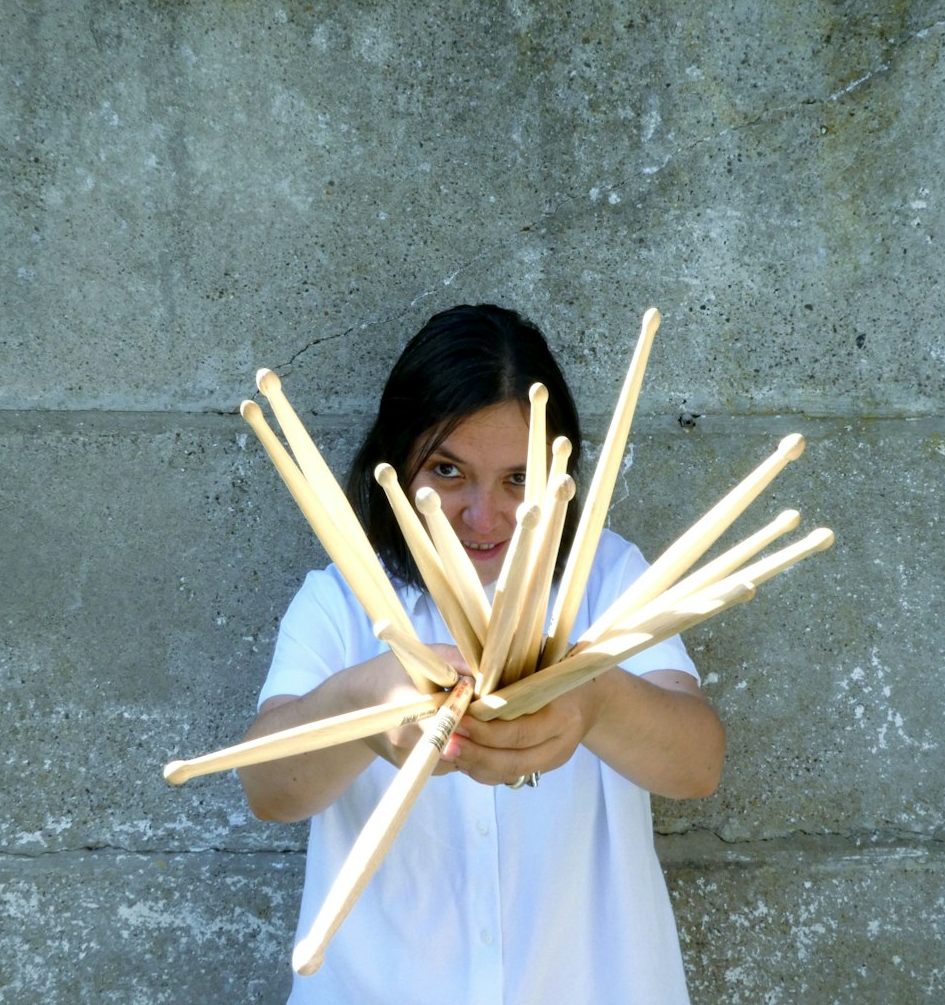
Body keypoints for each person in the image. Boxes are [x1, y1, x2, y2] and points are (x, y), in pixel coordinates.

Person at [238, 304, 726, 1005]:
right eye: (447, 469)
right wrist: (359, 706)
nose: (483, 515)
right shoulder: (341, 602)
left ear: (562, 476)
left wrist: (596, 700)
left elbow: (697, 765)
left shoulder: (609, 581)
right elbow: (266, 790)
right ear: (396, 465)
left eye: (518, 478)